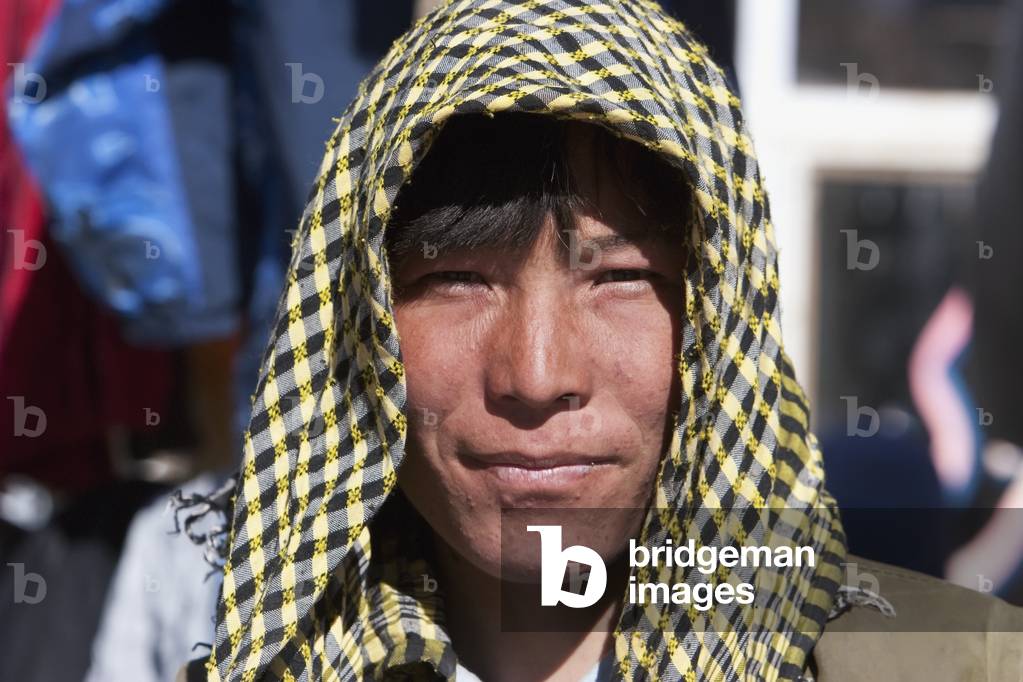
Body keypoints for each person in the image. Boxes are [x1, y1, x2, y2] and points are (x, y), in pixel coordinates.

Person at [181, 1, 1023, 680]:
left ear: (719, 319)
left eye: (620, 278)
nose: (535, 373)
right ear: (357, 324)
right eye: (455, 279)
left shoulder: (967, 665)